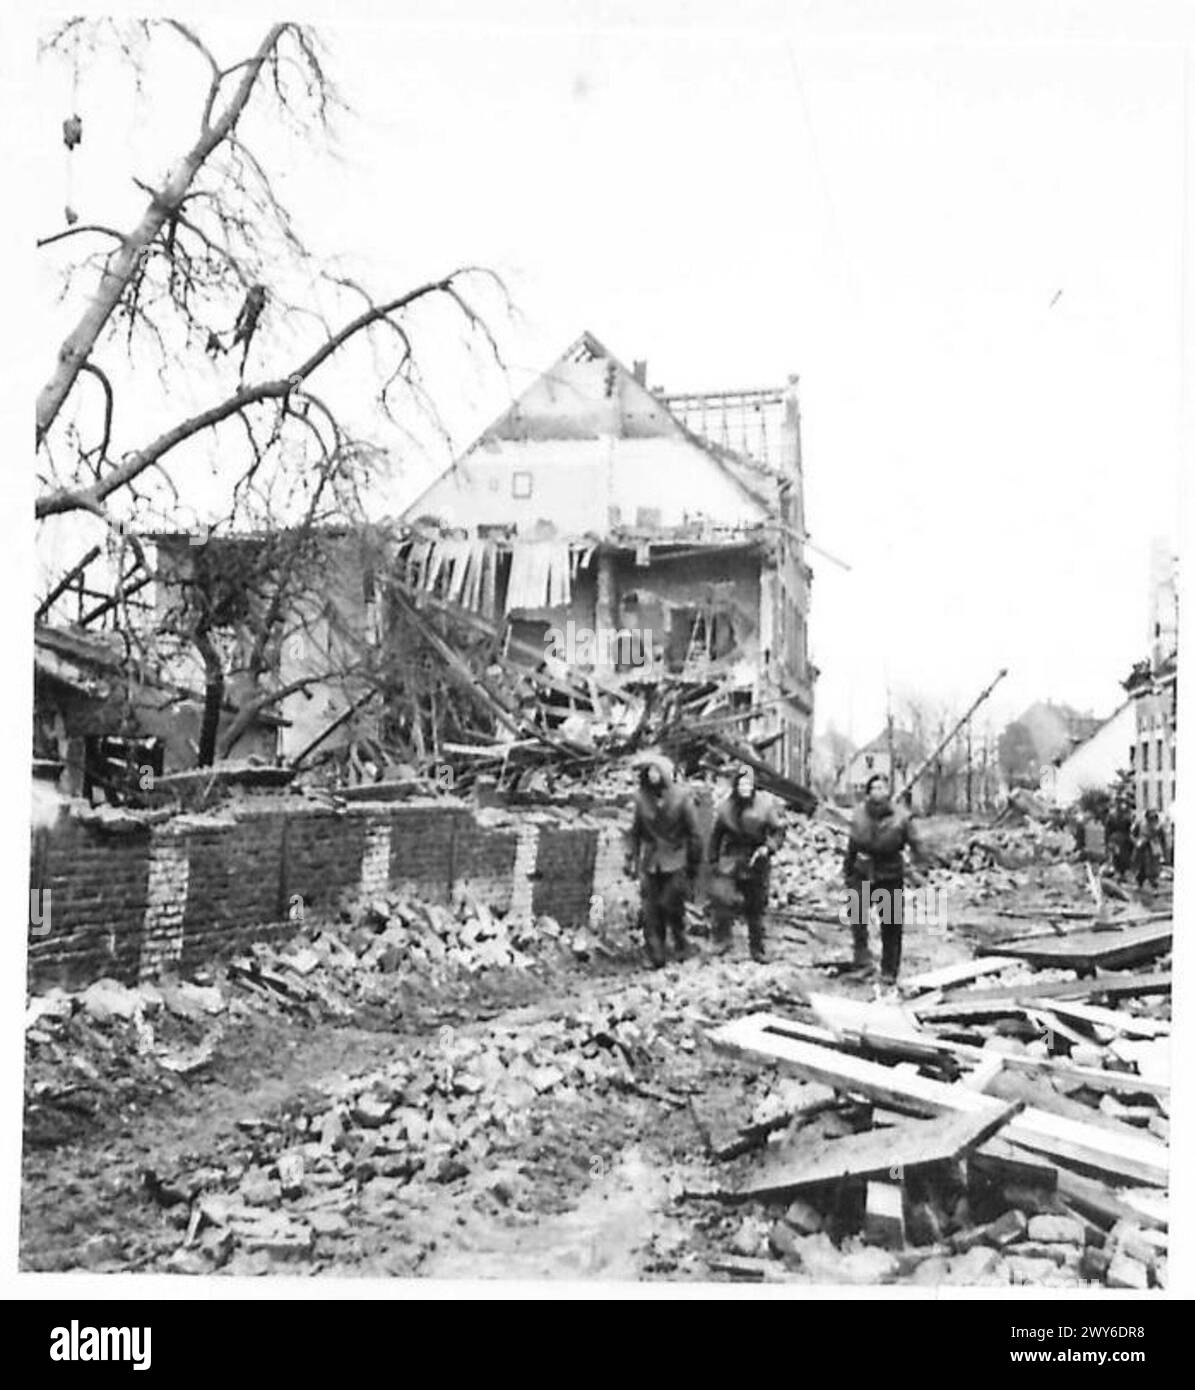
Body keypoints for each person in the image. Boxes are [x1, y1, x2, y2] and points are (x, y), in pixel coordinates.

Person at [843, 772, 928, 987]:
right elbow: (852, 844)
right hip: (863, 871)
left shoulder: (902, 817)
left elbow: (917, 845)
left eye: (882, 788)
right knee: (857, 918)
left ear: (888, 791)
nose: (878, 792)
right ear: (868, 792)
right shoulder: (859, 815)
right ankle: (862, 962)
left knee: (891, 924)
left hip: (889, 872)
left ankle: (890, 970)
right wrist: (848, 870)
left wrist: (919, 870)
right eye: (874, 788)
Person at [625, 755, 702, 968]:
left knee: (670, 905)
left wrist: (693, 865)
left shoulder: (682, 798)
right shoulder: (641, 799)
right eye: (649, 772)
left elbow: (695, 834)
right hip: (651, 862)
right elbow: (635, 832)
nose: (653, 776)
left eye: (657, 771)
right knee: (651, 910)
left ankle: (681, 943)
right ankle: (655, 954)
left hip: (676, 861)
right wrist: (631, 857)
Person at [708, 766, 785, 962]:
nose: (745, 788)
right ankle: (723, 941)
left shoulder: (765, 806)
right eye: (741, 784)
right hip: (732, 856)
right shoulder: (726, 807)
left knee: (756, 906)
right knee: (722, 899)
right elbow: (716, 836)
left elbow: (777, 831)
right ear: (736, 785)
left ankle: (757, 948)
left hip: (756, 858)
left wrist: (768, 848)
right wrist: (714, 860)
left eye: (748, 784)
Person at [1132, 808, 1166, 891]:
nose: (1152, 820)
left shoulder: (1158, 827)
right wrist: (1137, 842)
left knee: (1152, 869)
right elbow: (1133, 834)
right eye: (1150, 818)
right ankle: (1139, 884)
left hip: (1152, 850)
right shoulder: (1140, 824)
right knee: (1141, 868)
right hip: (1141, 849)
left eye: (1154, 818)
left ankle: (1154, 887)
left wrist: (1162, 852)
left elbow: (1162, 840)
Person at [1105, 796, 1134, 879]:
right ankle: (1118, 871)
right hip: (1115, 839)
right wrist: (1108, 841)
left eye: (1121, 802)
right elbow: (1108, 829)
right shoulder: (1112, 815)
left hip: (1124, 838)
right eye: (1118, 802)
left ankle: (1123, 872)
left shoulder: (1126, 814)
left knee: (1125, 856)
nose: (1120, 804)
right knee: (1117, 856)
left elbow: (1129, 827)